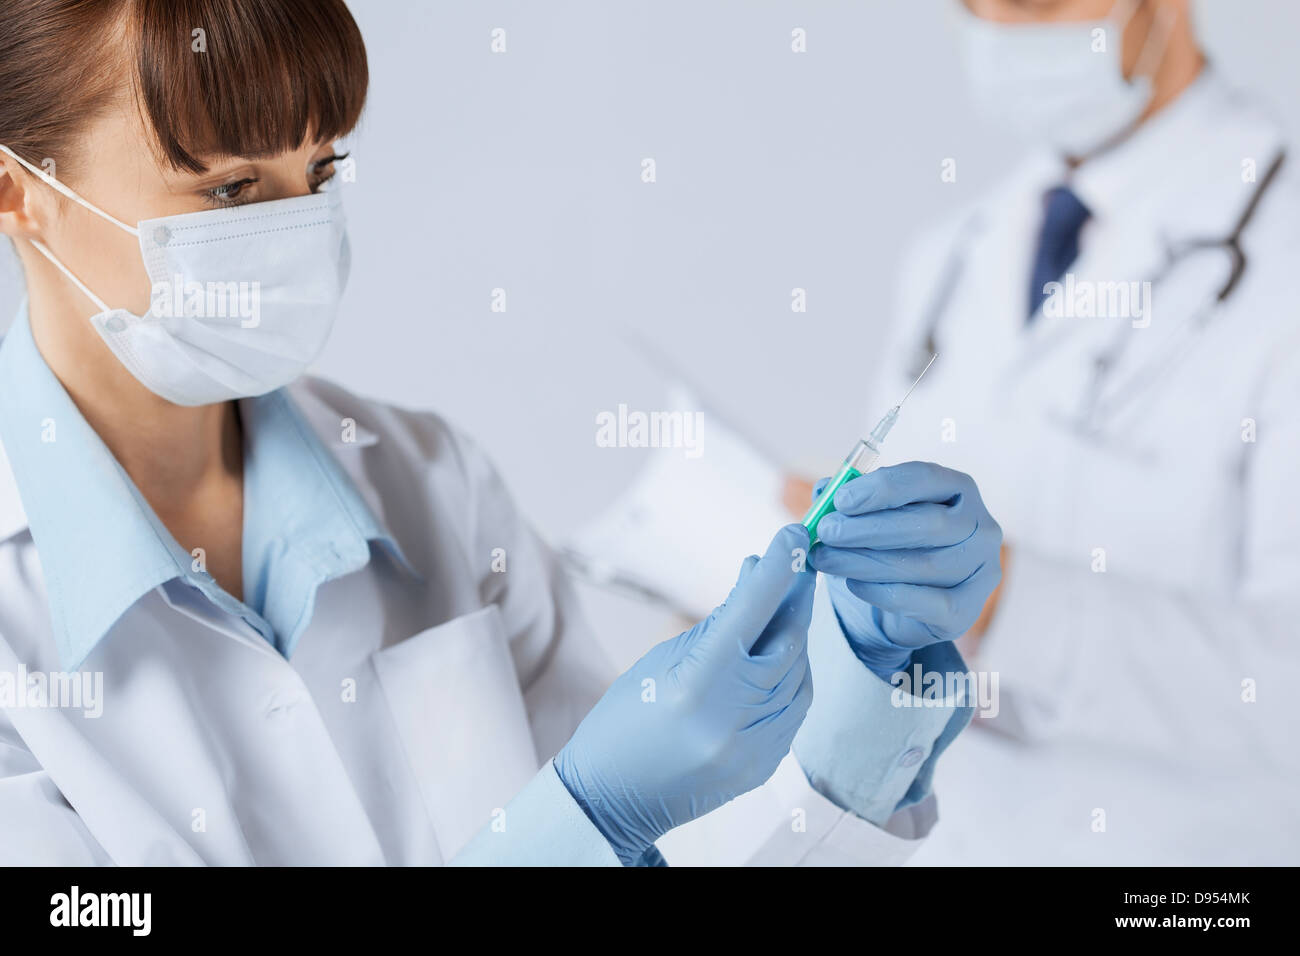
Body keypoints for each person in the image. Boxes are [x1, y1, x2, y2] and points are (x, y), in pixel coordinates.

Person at [0, 0, 1002, 866]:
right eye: (227, 189)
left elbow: (670, 845)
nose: (298, 229)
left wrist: (872, 684)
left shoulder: (433, 484)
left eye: (320, 167)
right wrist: (585, 816)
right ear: (20, 193)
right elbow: (590, 820)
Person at [840, 0, 1298, 864]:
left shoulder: (1285, 264)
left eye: (1039, 1)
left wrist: (1010, 604)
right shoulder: (951, 256)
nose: (1002, 27)